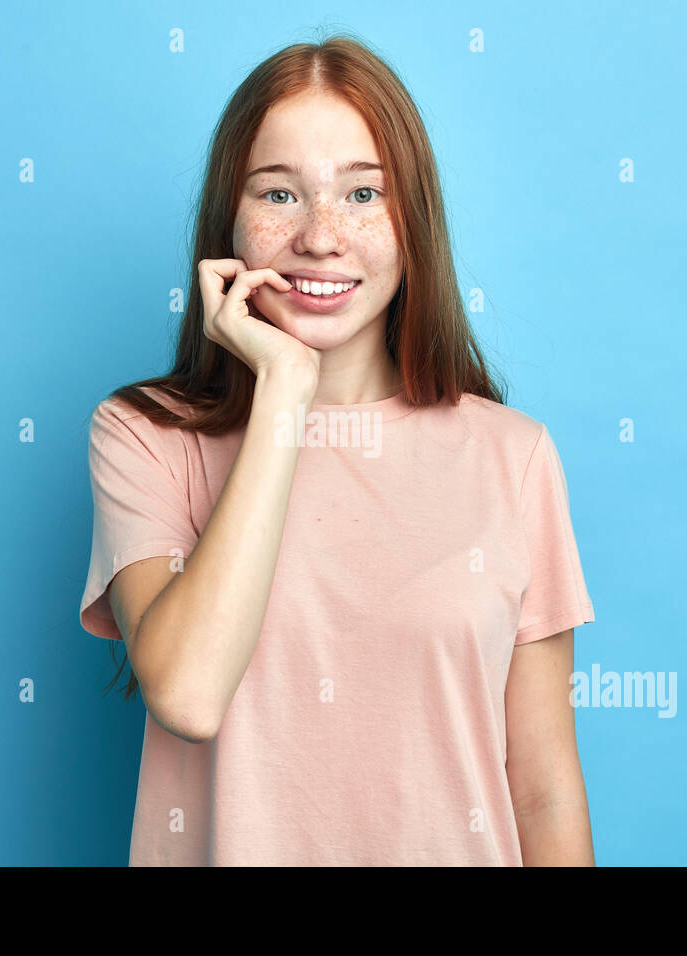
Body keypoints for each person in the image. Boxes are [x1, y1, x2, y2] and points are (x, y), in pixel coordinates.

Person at [78, 33, 596, 866]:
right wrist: (286, 386)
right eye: (279, 195)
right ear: (230, 222)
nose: (323, 236)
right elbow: (188, 691)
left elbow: (542, 787)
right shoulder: (143, 436)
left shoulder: (516, 457)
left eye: (363, 194)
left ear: (413, 221)